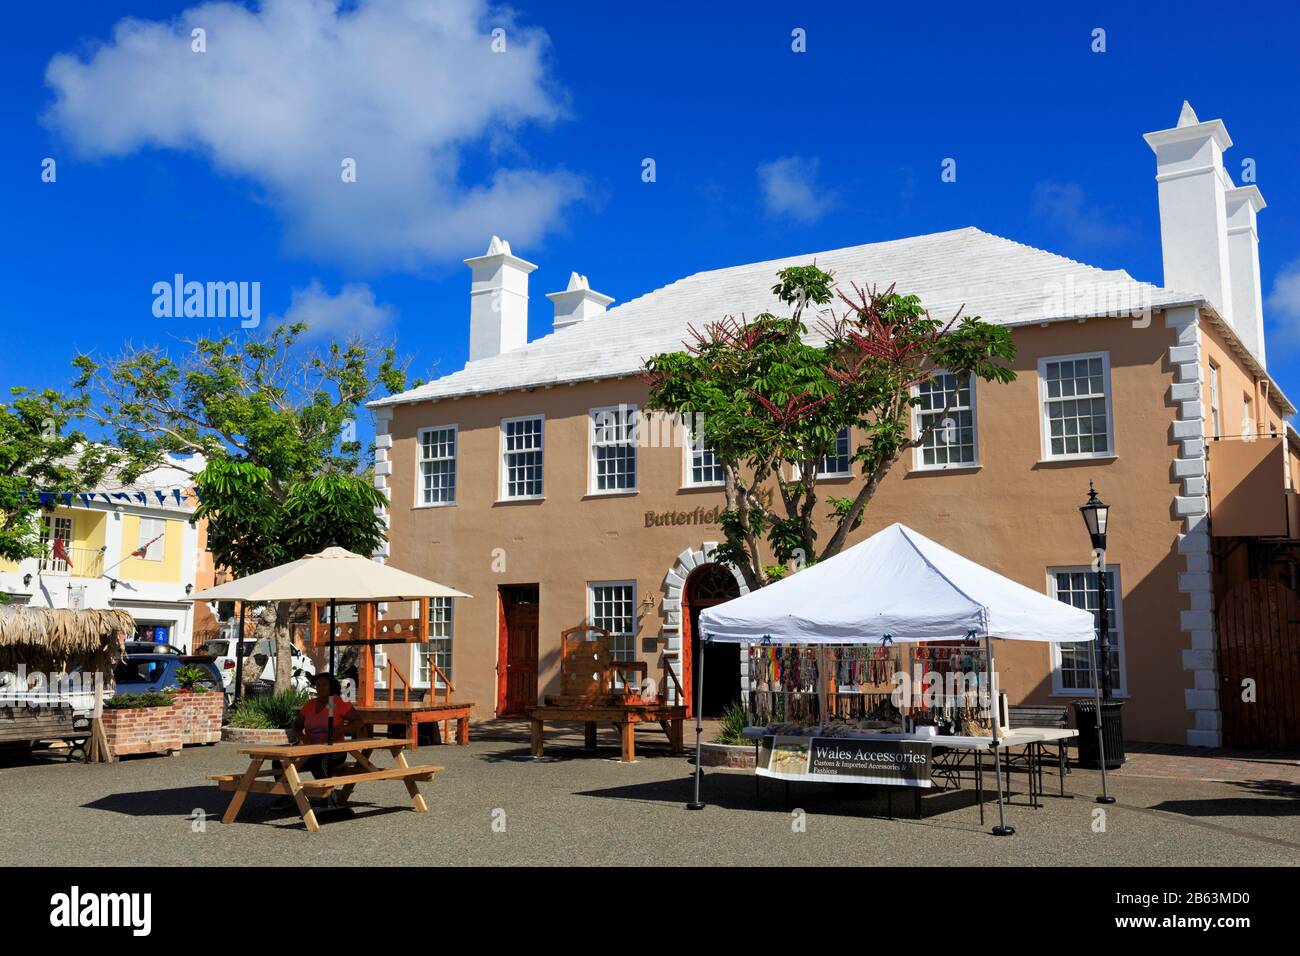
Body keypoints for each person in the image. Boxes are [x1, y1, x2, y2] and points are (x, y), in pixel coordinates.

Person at [274, 672, 365, 810]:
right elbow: (297, 725)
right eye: (318, 685)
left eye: (324, 684)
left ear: (331, 686)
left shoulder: (338, 703)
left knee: (320, 760)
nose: (320, 687)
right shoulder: (310, 704)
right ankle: (287, 796)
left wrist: (339, 731)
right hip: (309, 750)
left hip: (335, 750)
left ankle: (327, 796)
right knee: (279, 762)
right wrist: (302, 736)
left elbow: (358, 722)